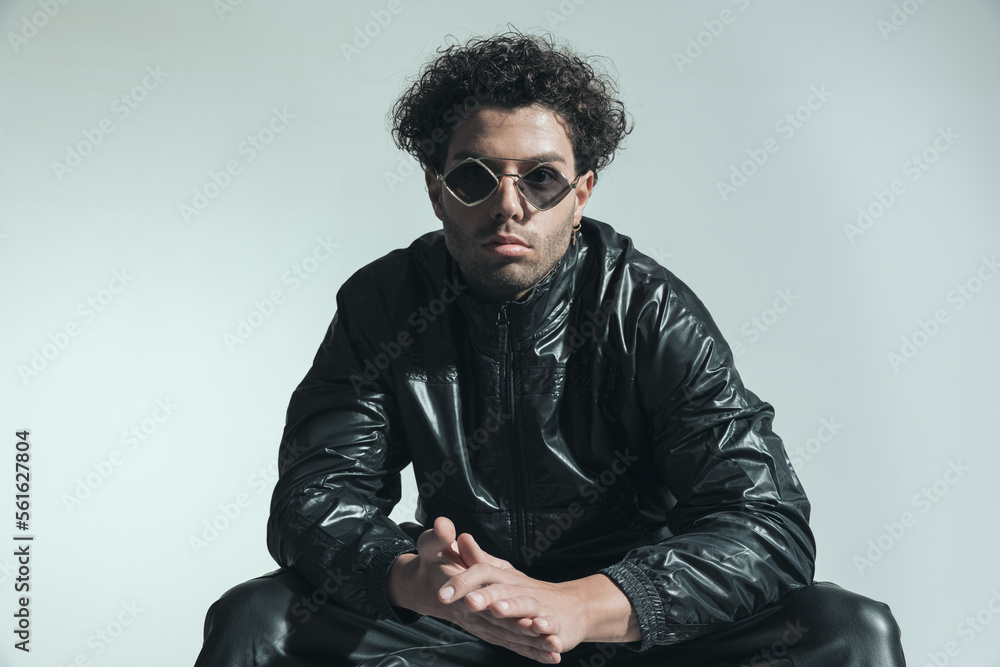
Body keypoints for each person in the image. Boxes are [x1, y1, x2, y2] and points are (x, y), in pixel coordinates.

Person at [194, 31, 906, 666]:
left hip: (627, 625)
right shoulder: (384, 305)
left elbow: (766, 521)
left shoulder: (648, 310)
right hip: (459, 617)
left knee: (848, 629)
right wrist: (410, 576)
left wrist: (584, 604)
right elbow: (316, 495)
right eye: (476, 176)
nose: (510, 204)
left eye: (540, 178)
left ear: (581, 191)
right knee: (257, 622)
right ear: (438, 191)